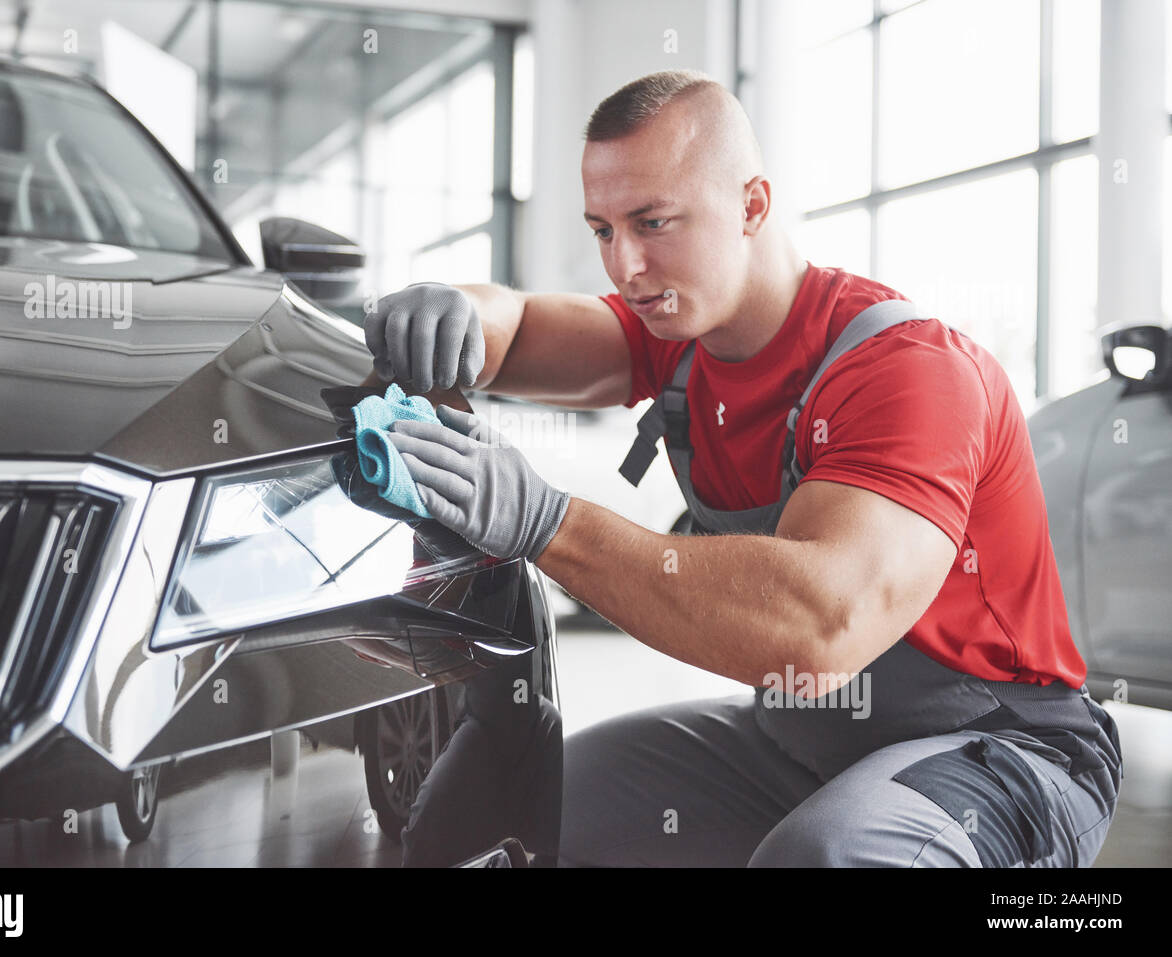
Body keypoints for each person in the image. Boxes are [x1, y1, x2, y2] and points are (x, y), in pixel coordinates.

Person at [363, 69, 1122, 867]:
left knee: (826, 855)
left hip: (1000, 757)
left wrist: (547, 525)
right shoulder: (681, 335)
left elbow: (819, 629)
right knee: (540, 808)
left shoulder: (906, 369)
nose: (625, 265)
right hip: (799, 748)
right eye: (603, 229)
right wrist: (456, 311)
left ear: (752, 205)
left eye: (653, 222)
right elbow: (515, 332)